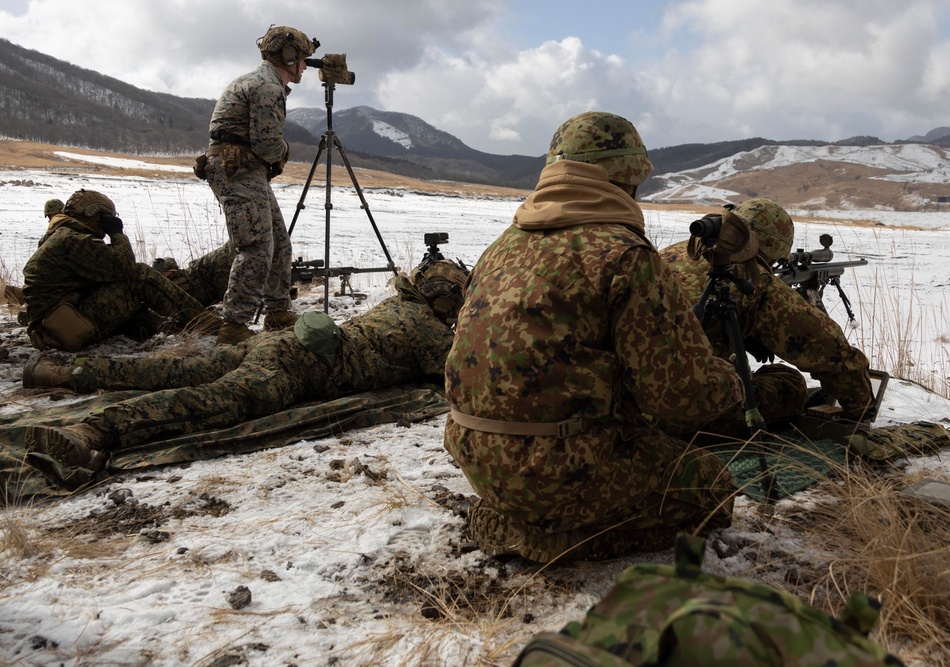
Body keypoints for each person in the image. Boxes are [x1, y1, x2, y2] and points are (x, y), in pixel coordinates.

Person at [443, 111, 746, 563]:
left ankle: (522, 513)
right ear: (627, 177)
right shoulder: (623, 254)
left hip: (474, 455)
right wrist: (732, 382)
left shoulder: (502, 247)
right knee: (712, 487)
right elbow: (679, 396)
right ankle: (556, 537)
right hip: (561, 468)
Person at [23, 259, 468, 472]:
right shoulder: (426, 328)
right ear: (444, 300)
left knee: (179, 371)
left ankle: (64, 373)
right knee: (216, 401)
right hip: (296, 365)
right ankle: (93, 431)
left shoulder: (397, 305)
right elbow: (463, 375)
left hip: (278, 343)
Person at [658, 198, 875, 432]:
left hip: (635, 399)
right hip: (674, 414)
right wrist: (861, 408)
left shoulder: (677, 251)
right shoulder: (754, 280)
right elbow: (833, 355)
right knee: (789, 382)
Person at [204, 25, 317, 345]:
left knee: (278, 242)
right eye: (302, 59)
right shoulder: (267, 86)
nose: (305, 67)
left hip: (245, 169)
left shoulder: (258, 80)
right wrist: (284, 152)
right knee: (256, 247)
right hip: (238, 170)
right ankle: (234, 325)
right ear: (289, 57)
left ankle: (277, 312)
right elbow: (267, 145)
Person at [21, 189, 221, 352]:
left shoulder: (57, 236)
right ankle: (208, 324)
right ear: (96, 216)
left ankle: (167, 326)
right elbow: (124, 267)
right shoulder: (72, 239)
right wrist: (117, 233)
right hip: (65, 330)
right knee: (141, 276)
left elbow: (105, 275)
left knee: (132, 303)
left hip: (59, 327)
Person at [152, 242, 236, 308]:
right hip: (190, 292)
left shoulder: (230, 254)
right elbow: (232, 304)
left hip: (191, 288)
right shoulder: (227, 260)